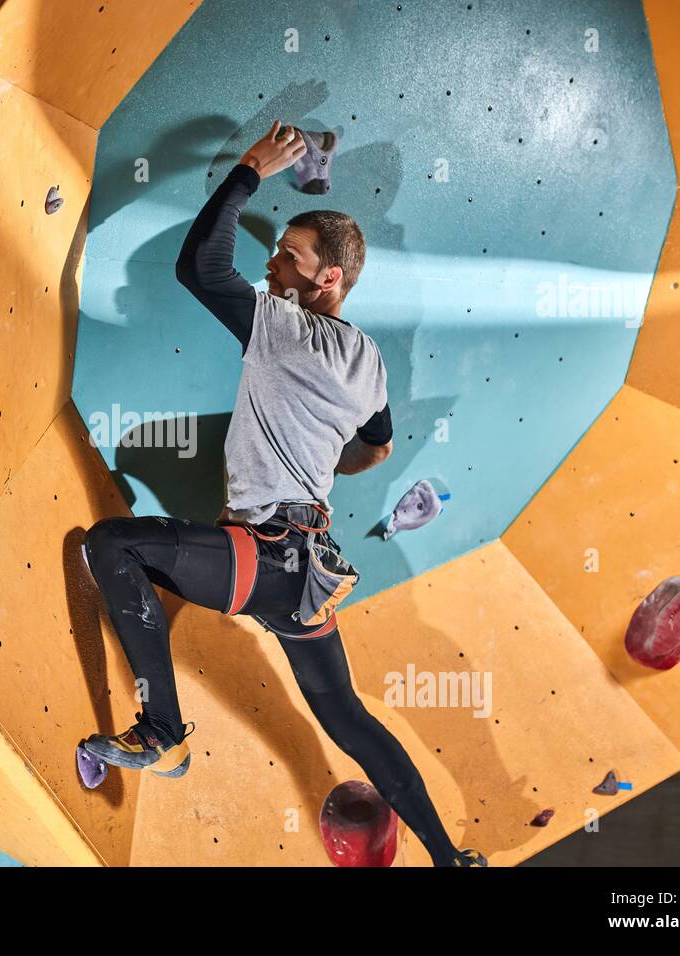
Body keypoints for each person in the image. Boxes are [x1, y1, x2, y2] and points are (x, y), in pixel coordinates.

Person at [80, 122, 486, 867]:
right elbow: (379, 445)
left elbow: (199, 267)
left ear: (326, 278)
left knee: (111, 545)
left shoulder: (285, 330)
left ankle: (163, 733)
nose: (269, 264)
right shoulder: (367, 360)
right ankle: (449, 857)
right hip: (303, 575)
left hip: (263, 555)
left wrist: (247, 171)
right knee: (345, 714)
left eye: (287, 256)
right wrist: (324, 466)